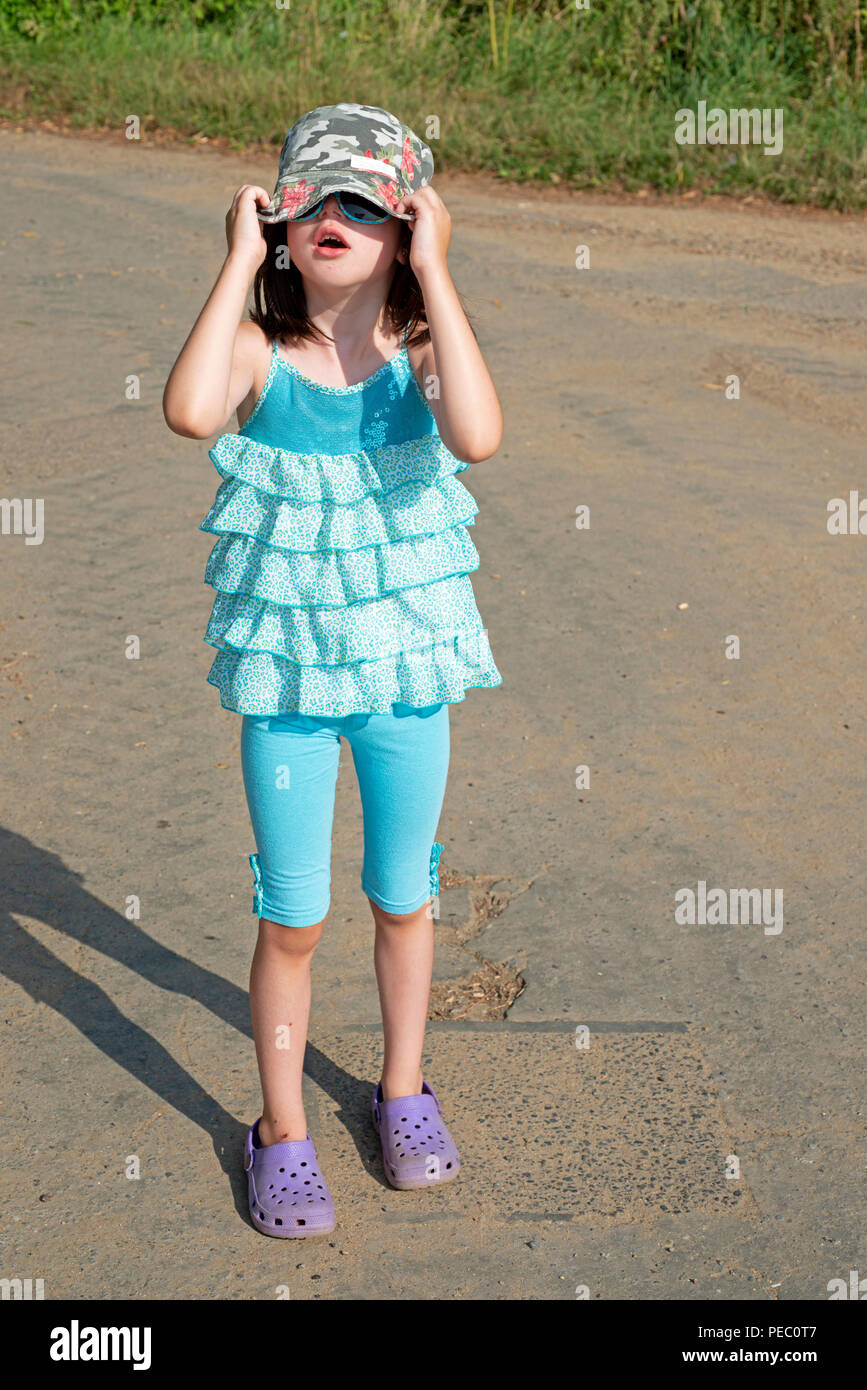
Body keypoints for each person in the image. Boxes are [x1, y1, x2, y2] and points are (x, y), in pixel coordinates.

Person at [163, 104, 502, 1238]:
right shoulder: (261, 352)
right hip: (291, 702)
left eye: (368, 203)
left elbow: (482, 435)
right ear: (279, 217)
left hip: (408, 684)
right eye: (311, 198)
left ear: (404, 228)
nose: (335, 217)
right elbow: (188, 408)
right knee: (293, 918)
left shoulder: (416, 354)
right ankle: (280, 1128)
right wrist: (233, 260)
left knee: (406, 897)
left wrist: (436, 271)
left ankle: (400, 1089)